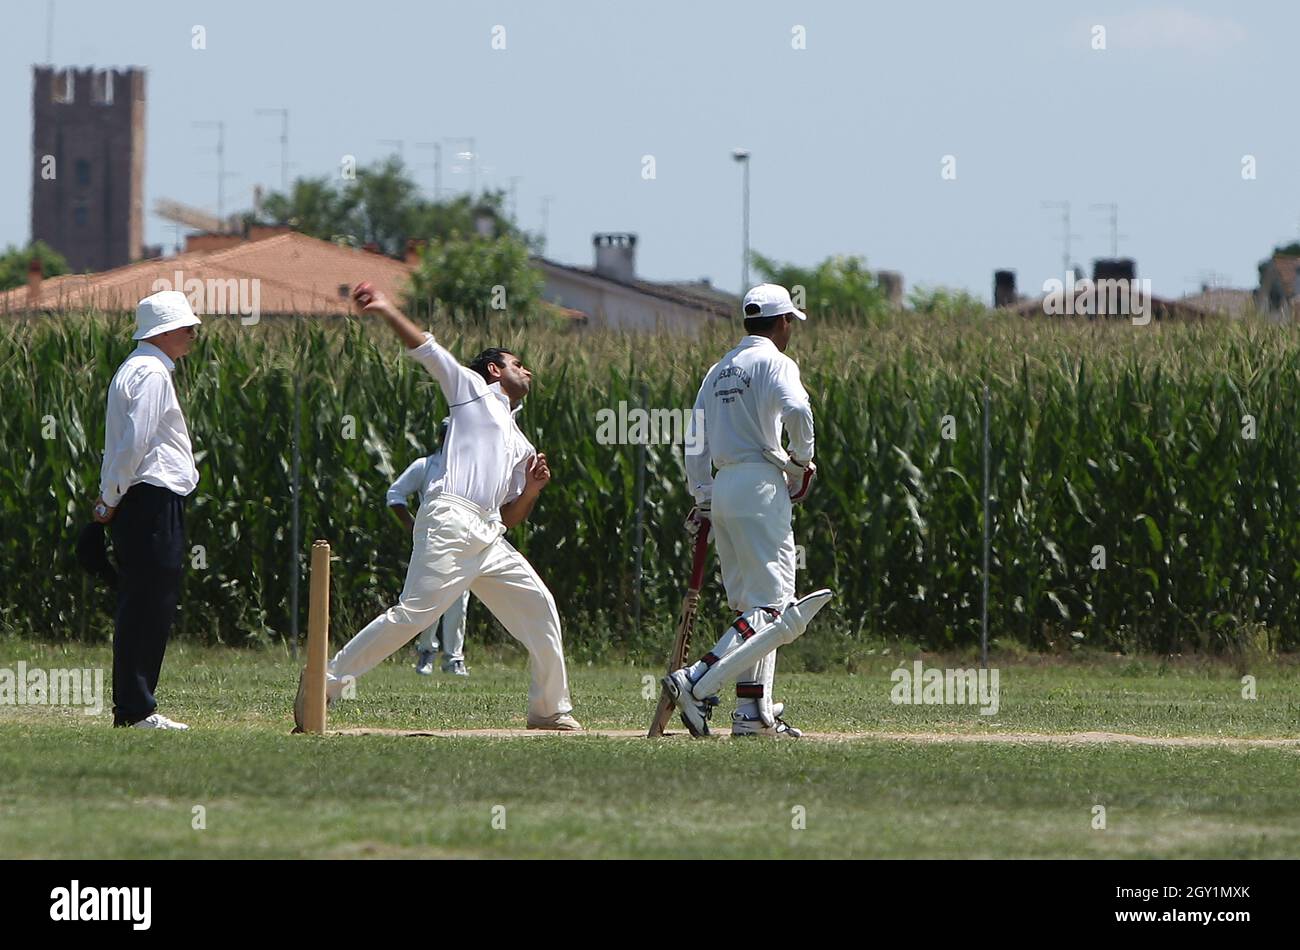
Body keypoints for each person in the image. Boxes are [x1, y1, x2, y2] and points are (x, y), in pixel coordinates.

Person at [295, 284, 580, 730]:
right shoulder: (472, 391)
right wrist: (388, 309)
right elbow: (427, 349)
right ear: (493, 369)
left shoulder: (522, 444)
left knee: (540, 607)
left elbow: (510, 517)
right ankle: (323, 684)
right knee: (413, 615)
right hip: (450, 518)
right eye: (517, 364)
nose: (528, 371)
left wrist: (533, 490)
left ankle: (547, 710)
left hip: (489, 533)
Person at [663, 284, 833, 738]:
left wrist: (702, 494)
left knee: (751, 608)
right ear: (782, 323)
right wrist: (800, 462)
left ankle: (751, 713)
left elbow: (695, 437)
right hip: (760, 482)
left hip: (724, 487)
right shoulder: (776, 362)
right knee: (776, 610)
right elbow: (798, 408)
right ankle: (697, 681)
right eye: (790, 323)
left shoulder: (717, 371)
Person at [93, 290, 202, 731]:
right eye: (187, 326)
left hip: (142, 498)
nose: (194, 334)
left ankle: (135, 706)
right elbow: (134, 444)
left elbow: (124, 444)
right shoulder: (152, 372)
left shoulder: (136, 368)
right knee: (148, 604)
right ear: (165, 330)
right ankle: (137, 709)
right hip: (151, 498)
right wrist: (110, 498)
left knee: (145, 601)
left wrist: (111, 495)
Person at [387, 421, 472, 677]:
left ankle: (454, 658)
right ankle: (426, 651)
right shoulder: (425, 466)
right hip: (432, 542)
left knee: (459, 602)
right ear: (441, 437)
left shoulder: (468, 468)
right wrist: (412, 527)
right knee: (429, 599)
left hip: (461, 542)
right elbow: (395, 495)